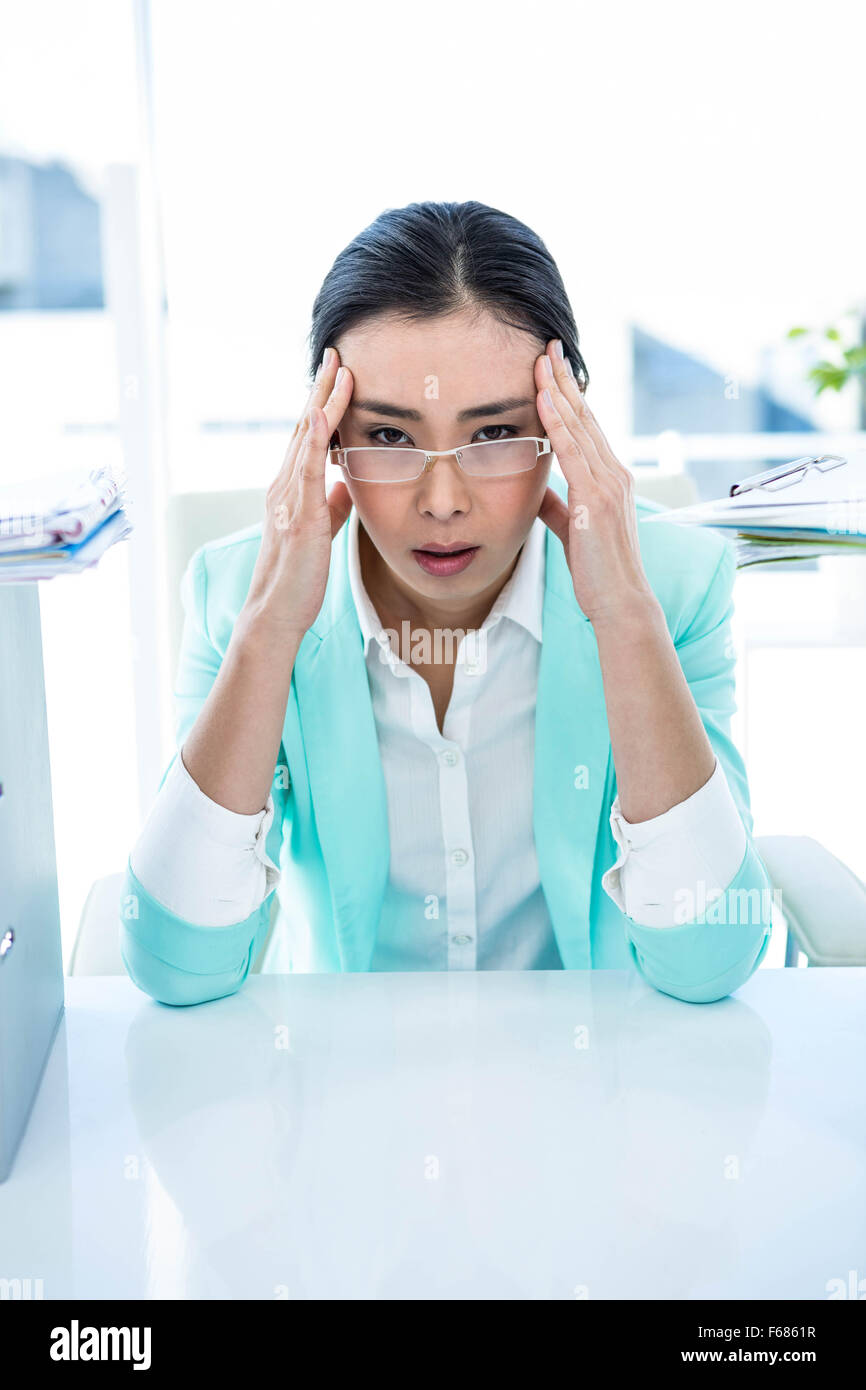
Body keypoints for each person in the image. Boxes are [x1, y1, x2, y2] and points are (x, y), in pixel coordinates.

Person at [120, 200, 772, 1007]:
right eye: (390, 437)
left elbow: (708, 961)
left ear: (566, 426)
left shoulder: (673, 586)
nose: (441, 501)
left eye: (494, 433)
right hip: (345, 1083)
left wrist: (624, 619)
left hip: (595, 1084)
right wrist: (269, 634)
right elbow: (176, 967)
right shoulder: (236, 599)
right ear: (323, 437)